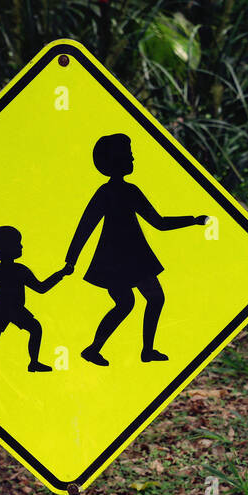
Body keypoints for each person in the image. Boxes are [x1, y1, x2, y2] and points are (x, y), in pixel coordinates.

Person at [63, 133, 207, 366]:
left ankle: (143, 350)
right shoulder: (106, 193)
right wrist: (71, 260)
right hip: (117, 260)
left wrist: (192, 220)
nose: (132, 159)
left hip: (134, 257)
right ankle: (96, 349)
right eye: (128, 155)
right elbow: (85, 226)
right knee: (130, 303)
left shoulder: (131, 191)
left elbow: (158, 222)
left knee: (151, 299)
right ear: (115, 160)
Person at [0, 225, 66, 377]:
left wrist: (60, 274)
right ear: (6, 248)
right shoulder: (4, 270)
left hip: (13, 308)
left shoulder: (18, 269)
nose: (21, 246)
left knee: (27, 329)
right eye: (17, 243)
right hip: (4, 309)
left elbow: (40, 288)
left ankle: (33, 362)